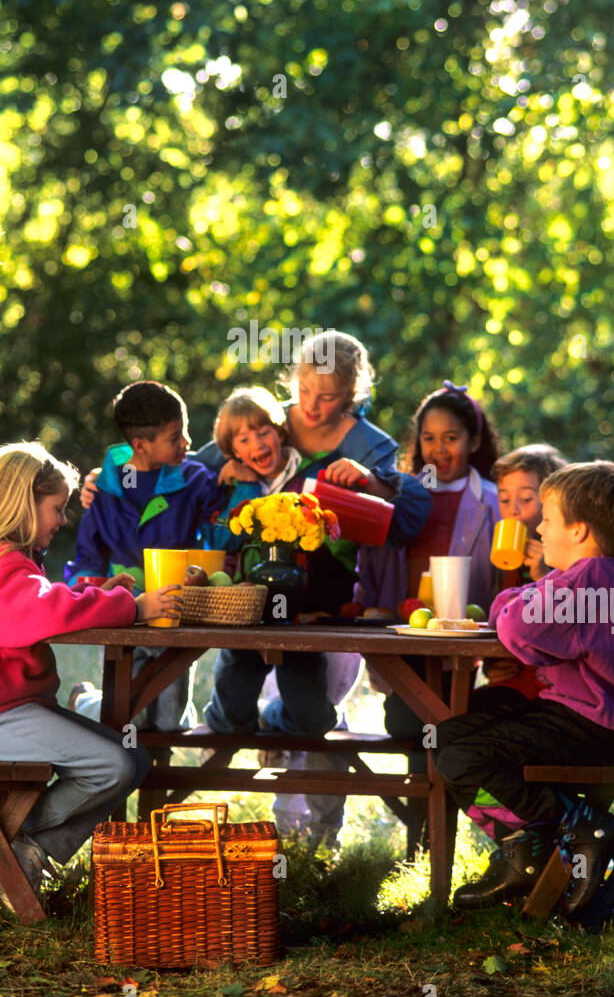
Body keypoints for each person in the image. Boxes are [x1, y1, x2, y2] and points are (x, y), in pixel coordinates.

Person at [200, 334, 431, 846]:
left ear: (350, 396)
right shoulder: (267, 420)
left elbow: (410, 512)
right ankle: (293, 823)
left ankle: (318, 833)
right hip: (255, 596)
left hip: (333, 594)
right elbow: (193, 466)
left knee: (317, 705)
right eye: (304, 389)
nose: (310, 404)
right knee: (245, 686)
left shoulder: (369, 443)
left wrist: (371, 481)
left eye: (326, 397)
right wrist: (220, 469)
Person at [0, 443, 180, 908]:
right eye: (56, 508)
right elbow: (37, 613)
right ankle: (20, 847)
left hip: (5, 713)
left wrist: (91, 592)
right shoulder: (2, 564)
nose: (63, 519)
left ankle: (20, 850)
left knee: (134, 759)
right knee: (117, 764)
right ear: (22, 505)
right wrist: (133, 606)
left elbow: (44, 599)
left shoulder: (8, 562)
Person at [435, 460, 614, 915]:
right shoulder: (595, 576)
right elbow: (515, 611)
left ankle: (575, 828)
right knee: (448, 739)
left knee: (463, 759)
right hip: (594, 719)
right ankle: (527, 848)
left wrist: (518, 601)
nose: (538, 527)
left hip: (604, 727)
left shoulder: (589, 582)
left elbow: (520, 632)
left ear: (580, 531)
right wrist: (520, 599)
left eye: (547, 517)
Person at [64, 380, 228, 728]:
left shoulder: (196, 479)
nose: (187, 443)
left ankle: (155, 762)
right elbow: (88, 556)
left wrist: (238, 483)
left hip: (176, 609)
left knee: (172, 724)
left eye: (185, 432)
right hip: (125, 613)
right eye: (175, 437)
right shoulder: (106, 490)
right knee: (127, 719)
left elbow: (220, 533)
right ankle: (85, 701)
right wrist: (87, 594)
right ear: (140, 444)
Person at [368, 380, 502, 759]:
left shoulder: (493, 501)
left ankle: (435, 813)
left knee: (446, 724)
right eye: (428, 438)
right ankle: (426, 811)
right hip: (404, 635)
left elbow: (504, 579)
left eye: (451, 438)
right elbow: (373, 560)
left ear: (474, 442)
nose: (438, 450)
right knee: (405, 723)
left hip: (463, 644)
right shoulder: (403, 495)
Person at [479, 443, 568, 702]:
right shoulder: (507, 561)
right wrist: (493, 663)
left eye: (526, 499)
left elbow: (570, 628)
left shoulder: (569, 557)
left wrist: (543, 575)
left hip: (554, 689)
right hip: (515, 682)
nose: (513, 510)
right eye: (505, 500)